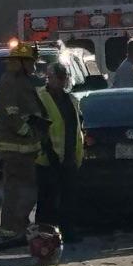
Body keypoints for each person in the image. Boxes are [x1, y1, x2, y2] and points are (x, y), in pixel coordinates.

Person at [0, 43, 48, 252]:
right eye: (30, 62)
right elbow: (10, 112)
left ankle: (14, 226)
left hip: (24, 146)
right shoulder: (10, 82)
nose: (33, 66)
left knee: (19, 188)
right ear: (20, 62)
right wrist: (26, 130)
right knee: (21, 188)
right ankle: (14, 227)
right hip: (16, 146)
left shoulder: (22, 81)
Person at [35, 63, 84, 234]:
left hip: (69, 157)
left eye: (64, 78)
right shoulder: (40, 97)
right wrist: (48, 152)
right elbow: (38, 128)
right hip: (47, 159)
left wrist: (76, 156)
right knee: (47, 199)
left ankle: (68, 231)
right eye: (59, 78)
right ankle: (45, 234)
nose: (62, 82)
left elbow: (76, 128)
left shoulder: (70, 99)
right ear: (50, 78)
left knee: (68, 198)